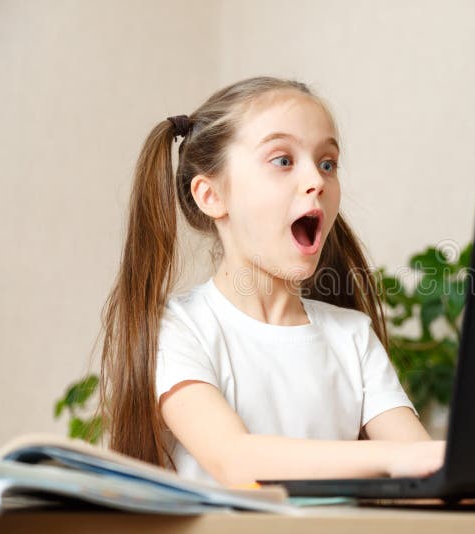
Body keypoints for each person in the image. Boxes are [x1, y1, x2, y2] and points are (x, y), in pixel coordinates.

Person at [98, 76, 446, 486]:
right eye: (283, 160)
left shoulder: (352, 336)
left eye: (327, 163)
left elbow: (425, 469)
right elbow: (236, 461)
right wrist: (398, 457)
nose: (316, 180)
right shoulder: (178, 331)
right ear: (211, 196)